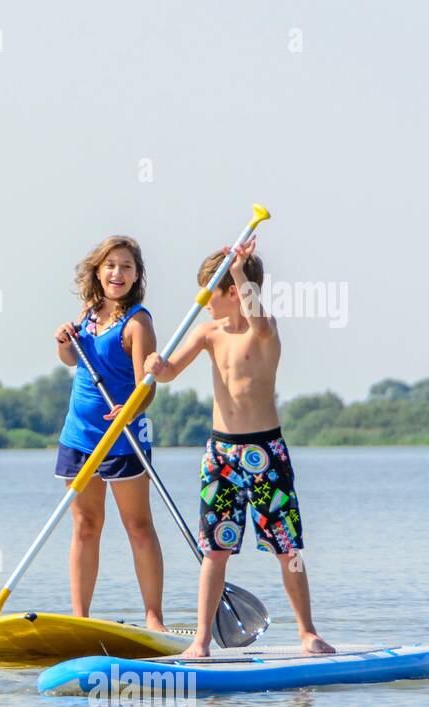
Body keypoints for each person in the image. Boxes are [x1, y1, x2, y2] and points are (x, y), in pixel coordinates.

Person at [145, 238, 334, 656]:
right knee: (214, 549)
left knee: (287, 548)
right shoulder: (207, 332)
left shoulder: (263, 331)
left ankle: (307, 632)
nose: (202, 300)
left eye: (209, 291)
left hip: (265, 454)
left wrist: (237, 270)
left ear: (234, 292)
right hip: (221, 455)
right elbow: (171, 371)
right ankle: (201, 640)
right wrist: (157, 367)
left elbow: (259, 318)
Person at [55, 236, 165, 631]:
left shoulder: (138, 322)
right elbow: (72, 360)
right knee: (85, 525)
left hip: (123, 438)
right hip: (79, 436)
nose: (118, 273)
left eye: (127, 267)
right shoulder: (88, 313)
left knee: (137, 525)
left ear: (136, 276)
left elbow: (147, 386)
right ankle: (80, 619)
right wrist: (64, 342)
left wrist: (128, 409)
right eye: (111, 266)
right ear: (98, 271)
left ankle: (153, 617)